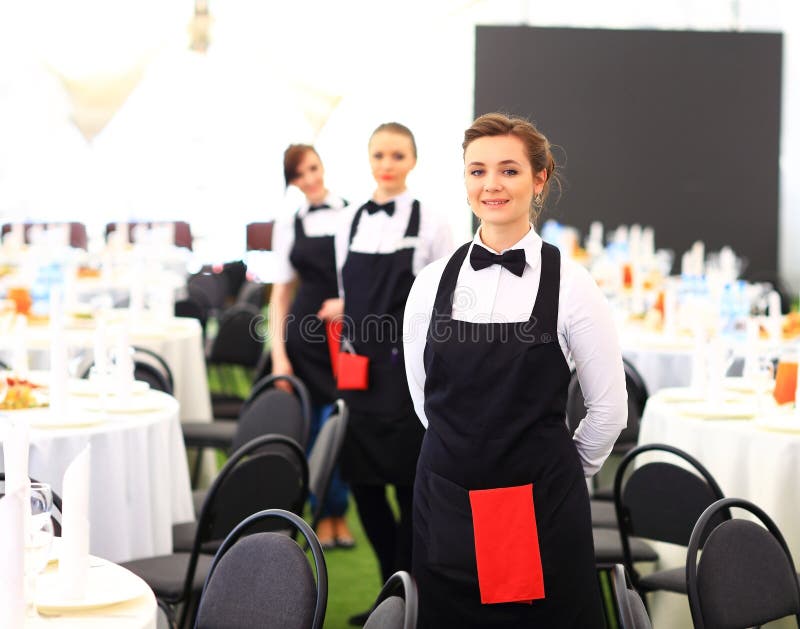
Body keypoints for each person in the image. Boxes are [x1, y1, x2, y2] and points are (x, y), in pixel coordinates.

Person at [403, 113, 628, 628]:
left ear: (539, 177)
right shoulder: (431, 282)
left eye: (509, 170)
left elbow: (610, 410)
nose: (492, 185)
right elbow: (423, 397)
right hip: (447, 500)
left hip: (539, 510)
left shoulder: (574, 285)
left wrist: (559, 473)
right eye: (477, 171)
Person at [317, 122, 453, 625]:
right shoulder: (349, 219)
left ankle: (408, 599)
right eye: (379, 155)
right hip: (357, 372)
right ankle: (387, 589)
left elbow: (447, 299)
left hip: (406, 374)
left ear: (412, 161)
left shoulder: (433, 219)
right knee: (363, 485)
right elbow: (346, 288)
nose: (387, 164)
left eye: (397, 155)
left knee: (406, 486)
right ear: (368, 159)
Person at [269, 144, 354, 549]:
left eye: (314, 169)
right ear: (293, 182)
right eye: (300, 174)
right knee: (314, 429)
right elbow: (280, 295)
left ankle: (340, 513)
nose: (310, 179)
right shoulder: (290, 222)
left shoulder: (354, 213)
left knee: (343, 426)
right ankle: (322, 515)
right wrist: (279, 356)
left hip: (348, 334)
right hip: (303, 337)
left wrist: (348, 306)